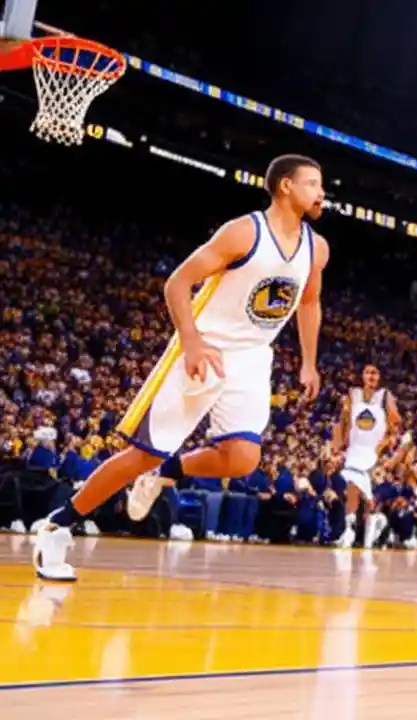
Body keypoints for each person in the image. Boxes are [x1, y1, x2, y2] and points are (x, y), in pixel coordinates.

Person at [33, 154, 330, 581]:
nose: (321, 193)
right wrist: (191, 340)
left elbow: (309, 301)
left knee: (243, 458)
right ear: (285, 186)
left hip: (252, 356)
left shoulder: (316, 248)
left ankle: (167, 474)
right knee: (142, 453)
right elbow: (177, 281)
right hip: (205, 347)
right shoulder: (243, 232)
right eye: (313, 184)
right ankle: (58, 524)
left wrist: (309, 362)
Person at [331, 363, 402, 548]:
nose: (371, 376)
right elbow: (343, 420)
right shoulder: (353, 394)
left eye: (375, 372)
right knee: (353, 489)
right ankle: (352, 529)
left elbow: (396, 423)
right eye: (368, 372)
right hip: (354, 447)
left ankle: (368, 528)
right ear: (361, 375)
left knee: (365, 492)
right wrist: (339, 446)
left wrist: (386, 446)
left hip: (373, 450)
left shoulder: (385, 395)